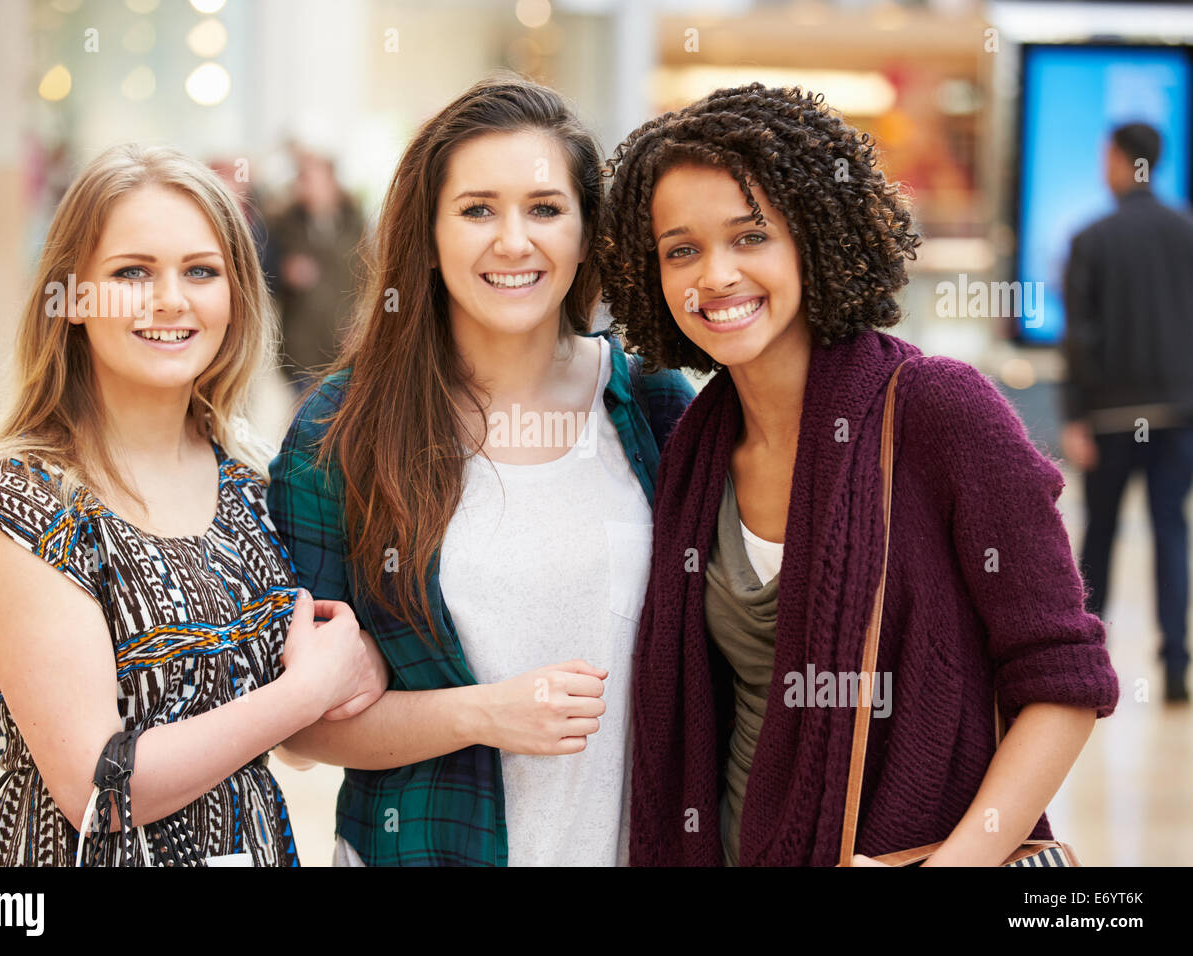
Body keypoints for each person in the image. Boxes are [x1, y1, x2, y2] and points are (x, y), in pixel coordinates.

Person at [598, 84, 1120, 866]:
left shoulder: (939, 411)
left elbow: (1064, 683)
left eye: (750, 237)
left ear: (813, 235)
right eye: (682, 250)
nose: (715, 276)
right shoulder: (696, 449)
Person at [267, 74, 695, 866]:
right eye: (476, 210)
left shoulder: (655, 403)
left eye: (544, 208)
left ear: (585, 231)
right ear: (428, 234)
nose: (513, 241)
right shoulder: (340, 432)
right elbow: (297, 729)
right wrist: (480, 715)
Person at [0, 143, 386, 866]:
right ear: (73, 296)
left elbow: (302, 734)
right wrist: (302, 694)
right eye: (132, 272)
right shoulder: (27, 502)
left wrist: (355, 661)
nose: (171, 299)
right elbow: (98, 790)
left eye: (201, 271)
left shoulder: (248, 479)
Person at [1061, 121, 1193, 704]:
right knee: (1171, 531)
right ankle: (1175, 666)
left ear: (1118, 160)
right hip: (1177, 414)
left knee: (1102, 537)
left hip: (1110, 417)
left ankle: (1086, 664)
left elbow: (1079, 339)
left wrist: (1075, 416)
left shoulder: (1091, 238)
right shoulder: (1185, 232)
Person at [266, 149, 367, 389]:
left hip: (343, 346)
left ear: (331, 182)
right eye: (302, 180)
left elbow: (372, 281)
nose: (306, 188)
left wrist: (362, 324)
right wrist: (284, 273)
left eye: (312, 180)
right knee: (306, 422)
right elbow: (263, 277)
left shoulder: (356, 225)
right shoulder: (282, 225)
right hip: (301, 349)